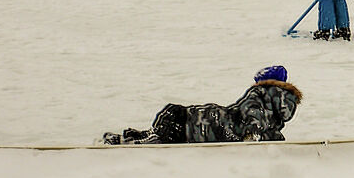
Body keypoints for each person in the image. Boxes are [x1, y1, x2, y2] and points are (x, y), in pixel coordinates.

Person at [101, 65, 303, 144]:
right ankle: (135, 137)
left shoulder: (258, 96)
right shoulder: (278, 111)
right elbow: (264, 129)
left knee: (169, 127)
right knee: (168, 127)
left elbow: (253, 118)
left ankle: (131, 143)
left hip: (200, 124)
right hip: (204, 123)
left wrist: (254, 133)